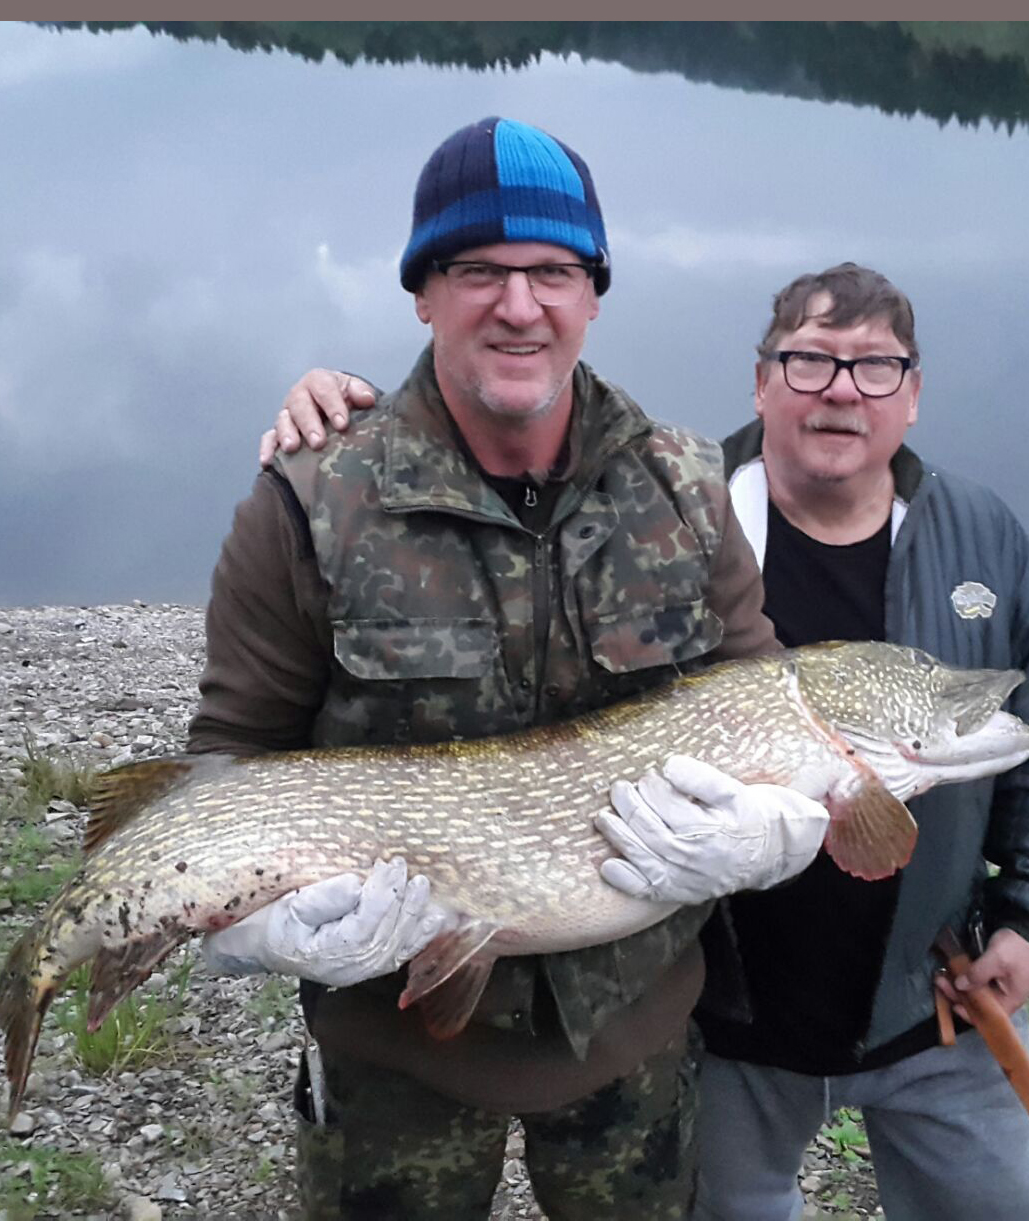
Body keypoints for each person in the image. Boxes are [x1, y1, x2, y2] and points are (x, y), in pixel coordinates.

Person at [270, 261, 1029, 1220]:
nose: (838, 389)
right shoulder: (670, 509)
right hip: (729, 1023)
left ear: (911, 395)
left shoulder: (981, 537)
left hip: (933, 1003)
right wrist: (340, 416)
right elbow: (514, 474)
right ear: (758, 380)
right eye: (808, 361)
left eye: (873, 368)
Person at [189, 115, 829, 1221]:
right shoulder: (311, 496)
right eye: (477, 268)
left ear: (593, 292)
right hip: (392, 1048)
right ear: (422, 292)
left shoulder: (682, 485)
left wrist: (780, 827)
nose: (518, 304)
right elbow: (232, 754)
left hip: (634, 1034)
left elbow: (760, 691)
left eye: (551, 270)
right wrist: (248, 919)